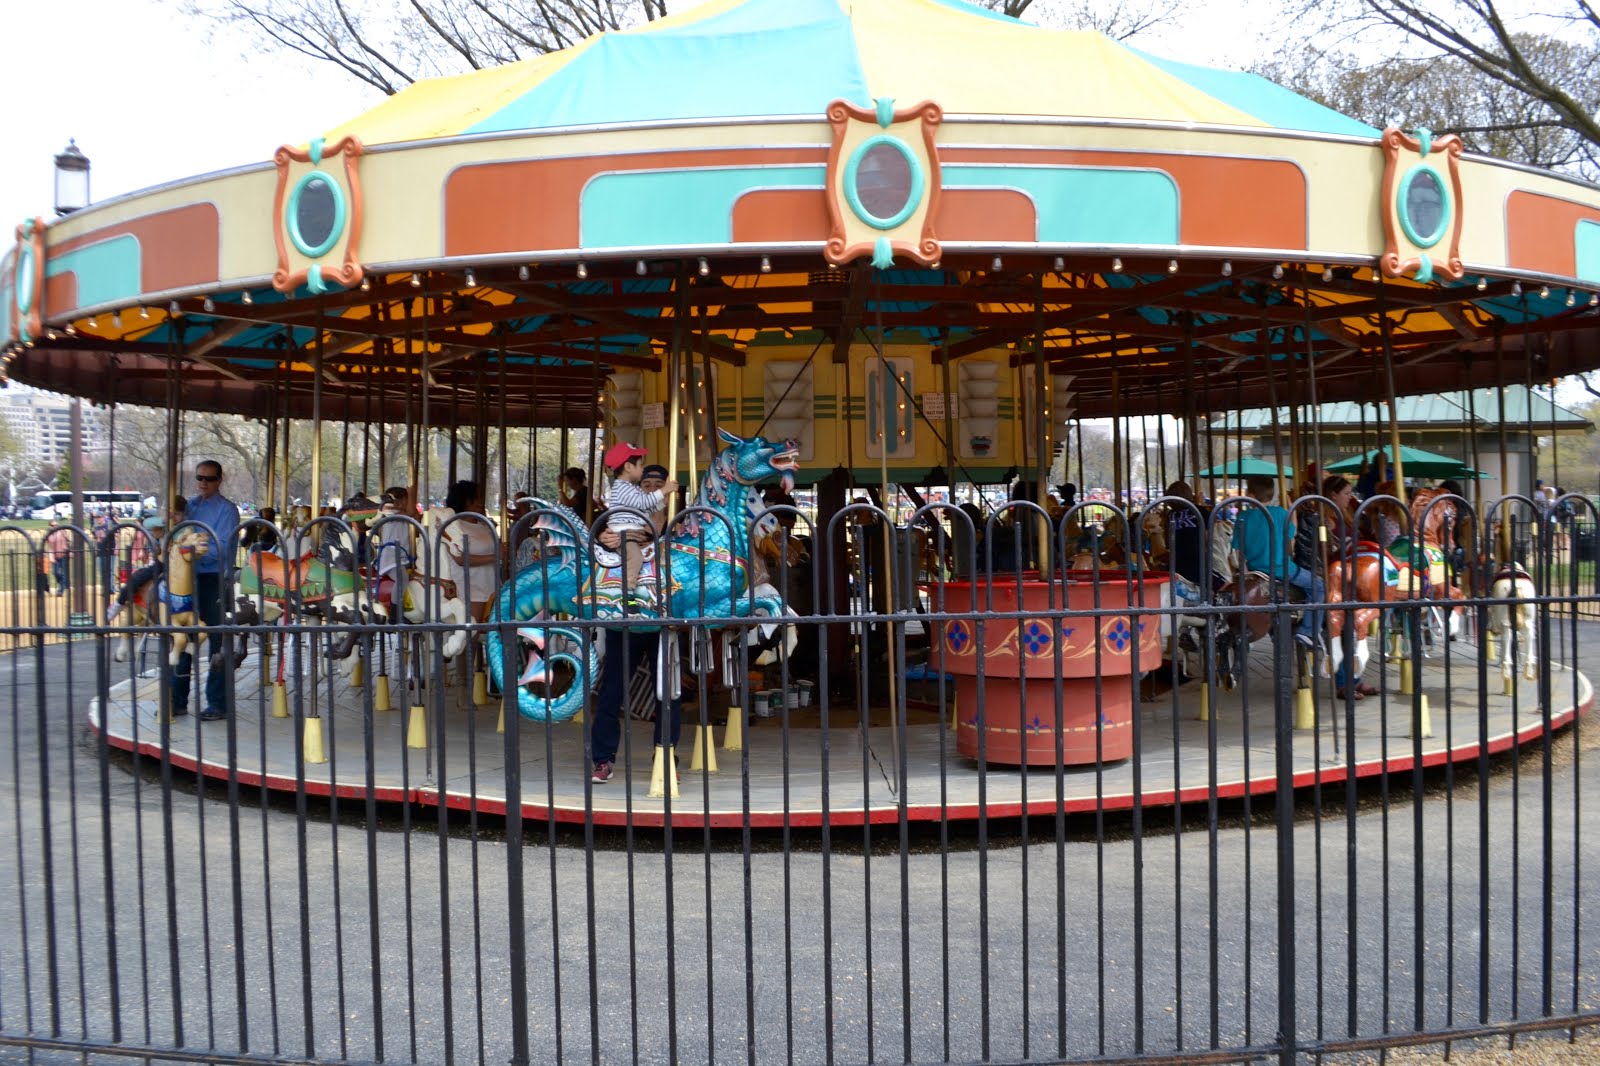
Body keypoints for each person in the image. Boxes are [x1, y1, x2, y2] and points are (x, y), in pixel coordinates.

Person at [172, 460, 241, 721]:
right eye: (199, 477)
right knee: (181, 636)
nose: (203, 482)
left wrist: (189, 552)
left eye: (209, 479)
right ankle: (176, 699)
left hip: (214, 579)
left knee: (216, 640)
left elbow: (220, 548)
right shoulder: (190, 506)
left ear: (219, 480)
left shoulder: (227, 511)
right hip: (188, 579)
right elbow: (177, 533)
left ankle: (217, 702)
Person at [1231, 475, 1322, 649]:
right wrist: (1291, 509)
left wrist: (1245, 573)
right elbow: (1291, 536)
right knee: (1318, 586)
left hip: (1255, 571)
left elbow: (1238, 551)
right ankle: (1308, 631)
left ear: (1250, 494)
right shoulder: (1280, 513)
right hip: (1282, 569)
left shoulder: (1243, 517)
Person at [602, 442, 678, 613]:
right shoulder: (622, 487)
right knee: (635, 557)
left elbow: (646, 507)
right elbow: (644, 502)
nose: (642, 469)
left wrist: (663, 502)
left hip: (633, 532)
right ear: (628, 467)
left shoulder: (631, 489)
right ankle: (626, 595)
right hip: (624, 533)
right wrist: (664, 490)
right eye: (640, 465)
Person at [441, 480, 499, 622]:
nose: (480, 501)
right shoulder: (453, 526)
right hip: (468, 589)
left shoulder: (484, 525)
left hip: (491, 586)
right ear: (466, 501)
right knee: (470, 635)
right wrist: (495, 557)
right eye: (477, 497)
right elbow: (460, 558)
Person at [45, 519, 73, 596]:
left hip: (63, 554)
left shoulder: (62, 532)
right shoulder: (49, 535)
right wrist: (51, 556)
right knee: (56, 572)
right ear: (49, 526)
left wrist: (70, 552)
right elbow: (50, 547)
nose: (54, 527)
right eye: (52, 525)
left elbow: (68, 541)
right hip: (55, 556)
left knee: (62, 573)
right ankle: (63, 584)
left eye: (56, 525)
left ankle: (60, 590)